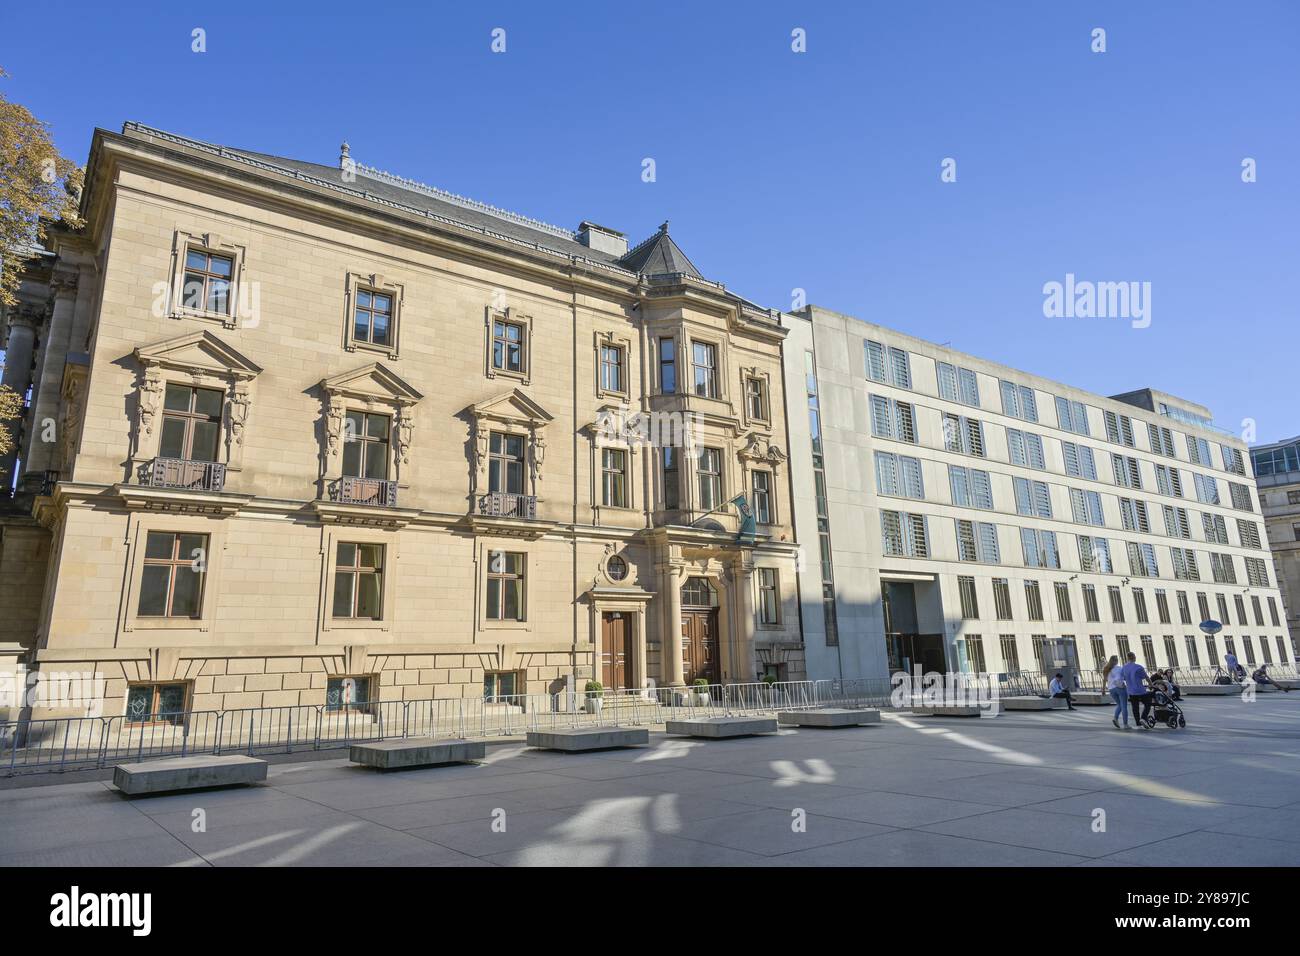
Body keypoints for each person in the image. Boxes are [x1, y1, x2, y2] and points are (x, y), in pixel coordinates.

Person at [1120, 652, 1153, 729]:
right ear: (1134, 657)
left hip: (1131, 691)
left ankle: (1138, 724)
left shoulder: (1124, 668)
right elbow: (1146, 677)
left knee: (1135, 707)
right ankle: (1143, 718)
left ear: (1127, 658)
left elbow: (1123, 678)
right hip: (1140, 690)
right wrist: (1151, 685)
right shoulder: (1138, 667)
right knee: (1148, 703)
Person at [1103, 655, 1128, 729]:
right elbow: (1125, 677)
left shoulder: (1106, 669)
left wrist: (1103, 690)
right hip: (1120, 688)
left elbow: (1104, 680)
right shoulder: (1119, 668)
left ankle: (1115, 718)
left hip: (1111, 689)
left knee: (1119, 705)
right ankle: (1125, 724)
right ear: (1116, 661)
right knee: (1124, 706)